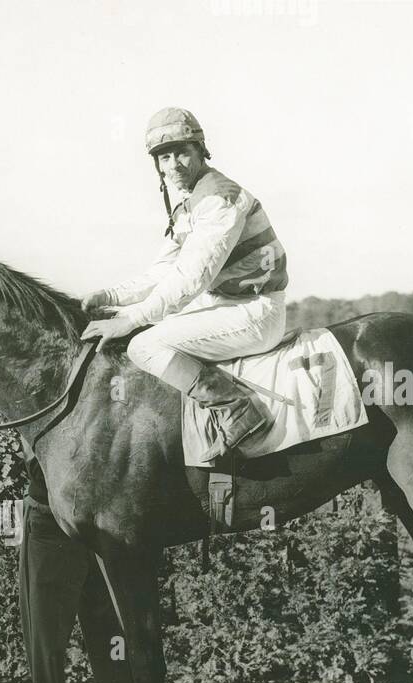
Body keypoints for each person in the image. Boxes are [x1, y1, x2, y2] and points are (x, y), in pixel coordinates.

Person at [81, 106, 289, 463]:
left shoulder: (219, 199)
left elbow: (192, 278)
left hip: (255, 312)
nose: (173, 164)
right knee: (132, 326)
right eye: (164, 156)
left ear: (200, 152)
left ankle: (238, 409)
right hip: (224, 305)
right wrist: (110, 298)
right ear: (156, 164)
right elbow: (160, 273)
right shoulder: (189, 206)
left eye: (182, 153)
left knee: (143, 346)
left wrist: (131, 319)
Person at [18, 454, 143, 683]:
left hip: (100, 521)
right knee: (47, 645)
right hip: (50, 523)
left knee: (114, 638)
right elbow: (39, 463)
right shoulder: (32, 404)